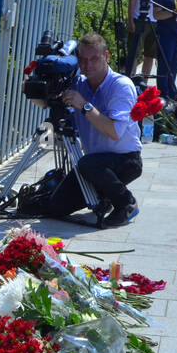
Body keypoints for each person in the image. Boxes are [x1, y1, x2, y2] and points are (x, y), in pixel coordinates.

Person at [34, 33, 143, 227]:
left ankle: (126, 203)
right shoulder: (79, 83)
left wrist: (84, 105)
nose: (87, 65)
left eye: (94, 59)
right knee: (55, 207)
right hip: (93, 165)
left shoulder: (121, 86)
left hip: (125, 160)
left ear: (106, 56)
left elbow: (114, 131)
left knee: (88, 163)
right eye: (83, 60)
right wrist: (33, 88)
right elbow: (45, 103)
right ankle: (105, 197)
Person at [124, 0, 167, 82]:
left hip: (155, 21)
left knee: (150, 54)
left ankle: (144, 81)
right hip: (139, 20)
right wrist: (130, 20)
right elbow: (132, 1)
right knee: (135, 52)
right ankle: (131, 80)